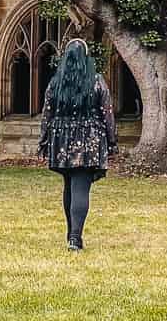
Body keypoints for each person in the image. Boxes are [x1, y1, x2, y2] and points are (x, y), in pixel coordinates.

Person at [37, 38, 118, 251]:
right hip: (89, 139)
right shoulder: (96, 80)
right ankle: (75, 237)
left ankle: (71, 233)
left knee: (69, 186)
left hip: (62, 138)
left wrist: (43, 140)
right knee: (80, 186)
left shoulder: (56, 82)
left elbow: (47, 113)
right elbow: (107, 112)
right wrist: (111, 141)